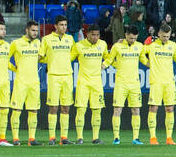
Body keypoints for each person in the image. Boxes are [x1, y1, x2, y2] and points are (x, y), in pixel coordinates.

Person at [139, 22, 176, 145]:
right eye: (164, 36)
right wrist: (148, 64)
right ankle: (153, 137)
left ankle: (169, 138)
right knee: (154, 108)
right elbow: (141, 54)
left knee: (170, 108)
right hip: (156, 81)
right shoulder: (152, 45)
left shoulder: (172, 45)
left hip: (169, 82)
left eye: (168, 36)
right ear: (159, 34)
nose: (166, 38)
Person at [105, 27, 144, 144]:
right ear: (126, 35)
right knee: (117, 110)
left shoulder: (140, 46)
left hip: (135, 84)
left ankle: (136, 138)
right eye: (131, 38)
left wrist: (156, 65)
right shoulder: (117, 46)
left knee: (136, 110)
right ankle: (116, 137)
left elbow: (144, 60)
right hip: (121, 83)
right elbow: (109, 60)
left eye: (135, 38)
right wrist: (102, 66)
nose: (133, 40)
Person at [41, 16, 76, 144]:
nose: (64, 27)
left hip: (67, 76)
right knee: (53, 107)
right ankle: (51, 137)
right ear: (55, 26)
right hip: (54, 76)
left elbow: (73, 55)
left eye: (65, 25)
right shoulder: (46, 39)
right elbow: (40, 56)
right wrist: (50, 61)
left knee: (66, 108)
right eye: (61, 25)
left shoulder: (70, 39)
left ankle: (64, 137)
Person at [8, 21, 44, 145]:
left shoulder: (38, 43)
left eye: (37, 31)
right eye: (33, 30)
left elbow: (41, 57)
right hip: (21, 82)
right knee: (17, 110)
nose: (35, 33)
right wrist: (14, 68)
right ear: (27, 30)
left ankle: (31, 139)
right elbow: (5, 58)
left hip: (34, 82)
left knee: (33, 110)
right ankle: (16, 138)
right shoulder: (16, 43)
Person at [71, 26, 107, 144]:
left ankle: (95, 138)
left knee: (97, 110)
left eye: (97, 35)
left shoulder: (103, 45)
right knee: (81, 110)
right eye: (93, 35)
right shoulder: (79, 46)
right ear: (87, 34)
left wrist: (105, 64)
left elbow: (108, 57)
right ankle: (79, 137)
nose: (95, 37)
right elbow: (68, 59)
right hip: (83, 83)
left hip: (97, 83)